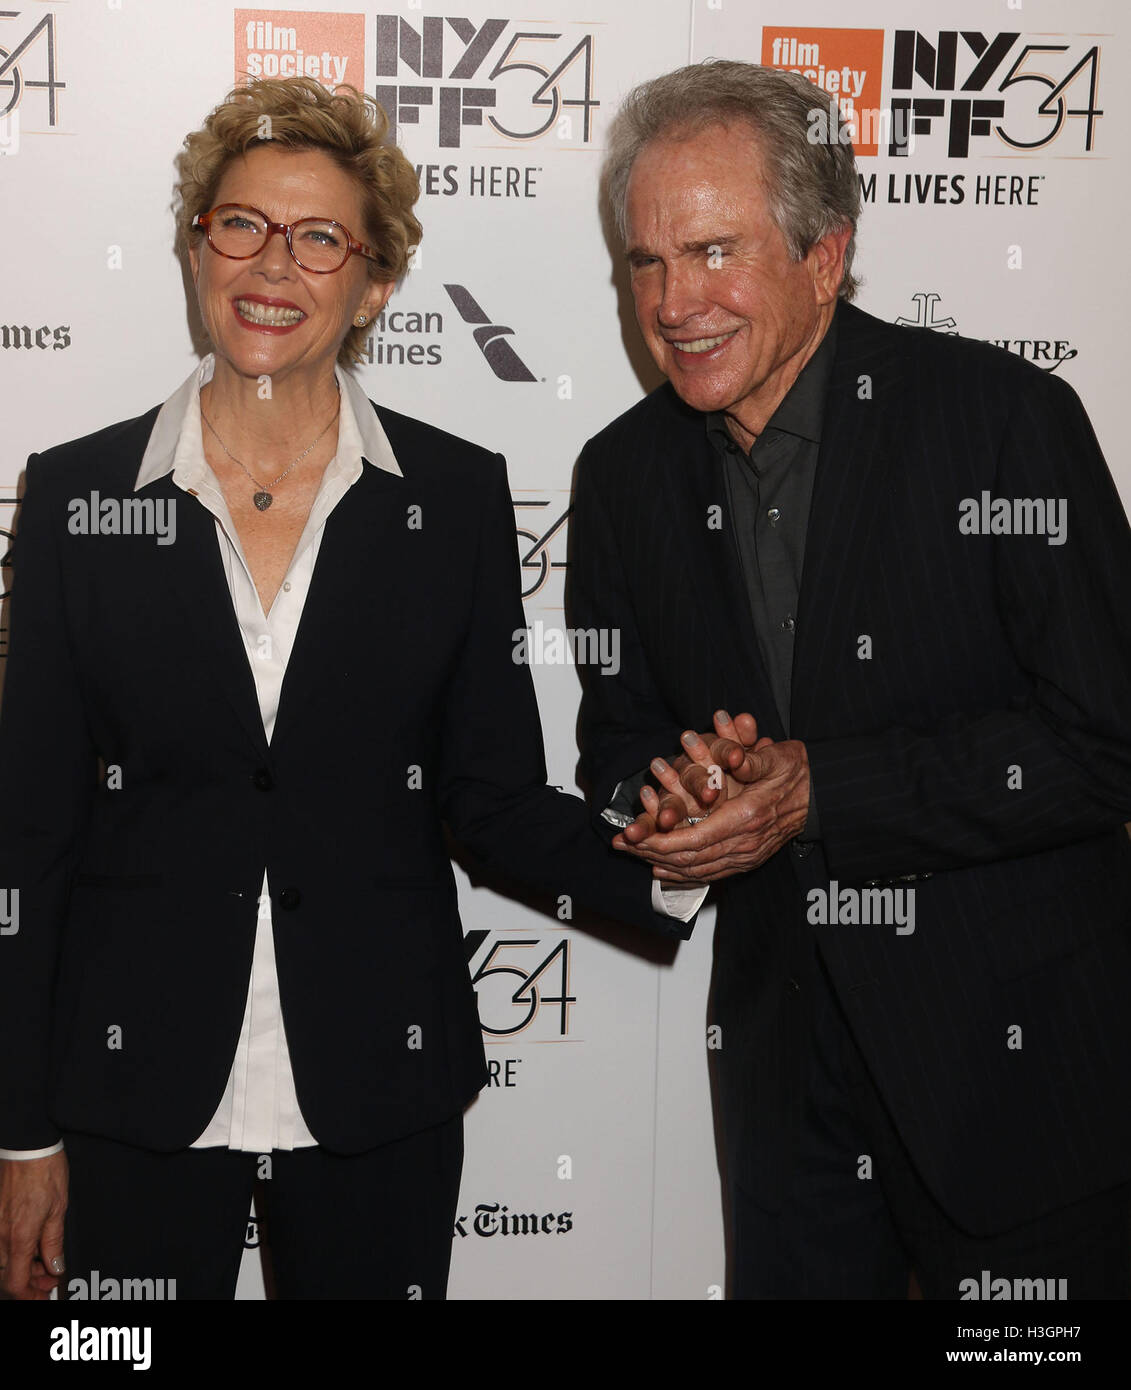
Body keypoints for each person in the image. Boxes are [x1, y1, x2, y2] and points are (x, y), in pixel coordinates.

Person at [0, 76, 685, 1302]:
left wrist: (670, 852)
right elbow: (32, 834)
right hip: (127, 1091)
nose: (276, 264)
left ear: (373, 285)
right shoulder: (71, 499)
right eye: (242, 224)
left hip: (380, 1087)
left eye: (321, 238)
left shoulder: (457, 499)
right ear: (195, 247)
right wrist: (20, 1129)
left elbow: (487, 798)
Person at [569, 60, 1131, 1299]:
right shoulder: (619, 477)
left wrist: (824, 791)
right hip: (787, 1108)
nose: (674, 301)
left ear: (826, 253)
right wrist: (670, 797)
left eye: (713, 251)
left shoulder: (1001, 421)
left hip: (1018, 1085)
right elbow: (614, 745)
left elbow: (1106, 742)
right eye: (647, 263)